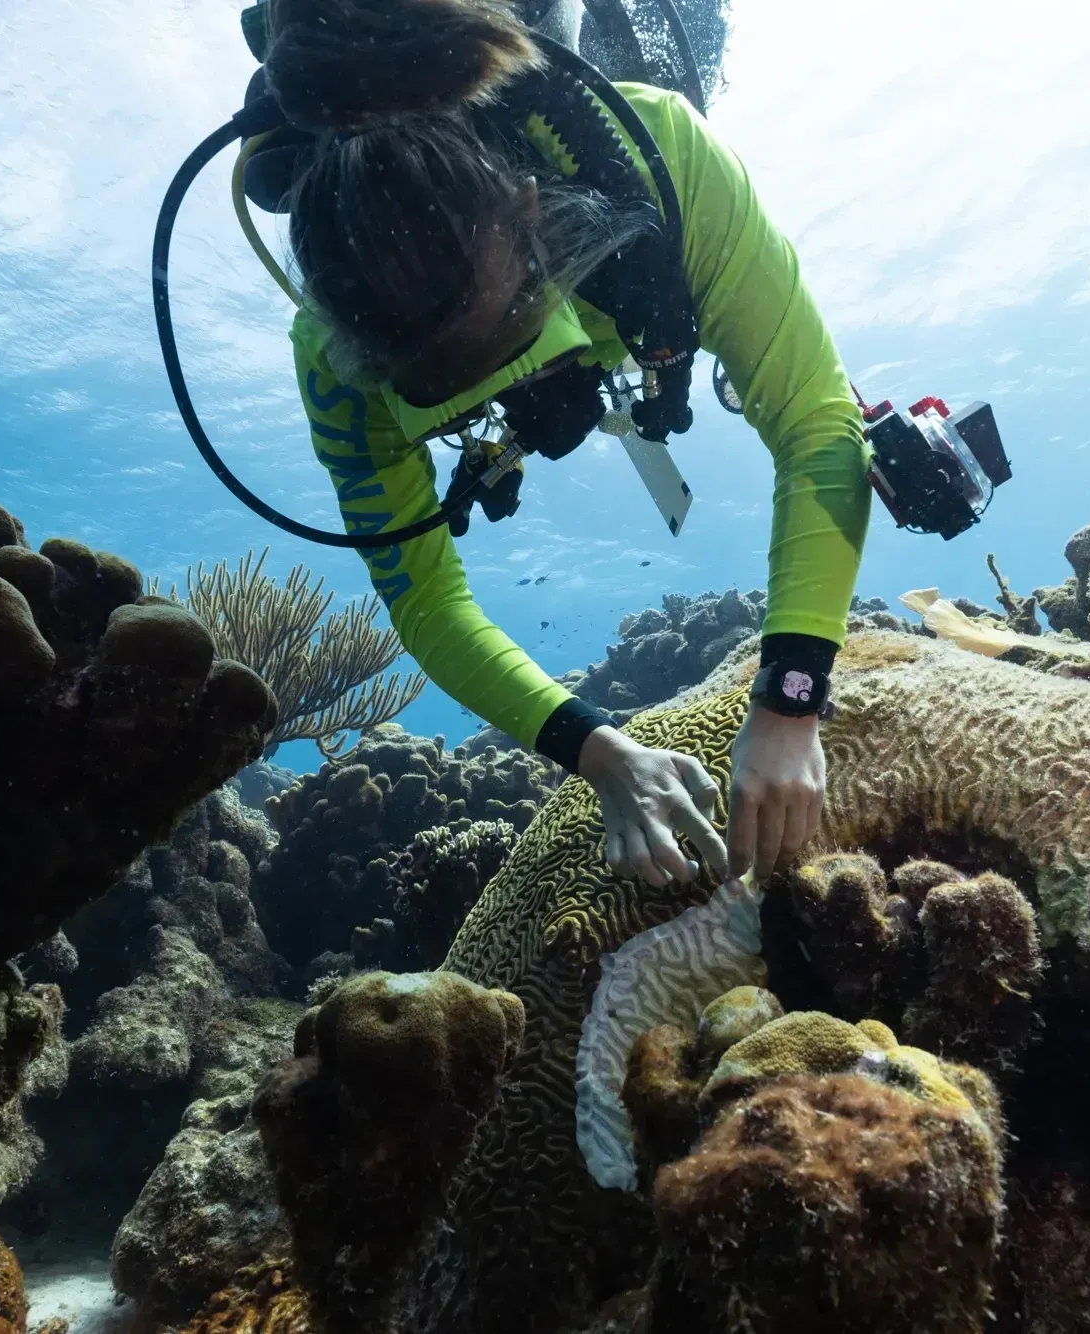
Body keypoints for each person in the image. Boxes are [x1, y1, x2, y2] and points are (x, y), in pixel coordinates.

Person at [268, 0, 870, 887]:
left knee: (628, 56)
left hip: (611, 214)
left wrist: (791, 700)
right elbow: (427, 602)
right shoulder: (332, 364)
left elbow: (818, 421)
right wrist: (599, 751)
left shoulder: (665, 157)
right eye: (443, 388)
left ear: (530, 211)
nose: (504, 390)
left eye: (511, 335)